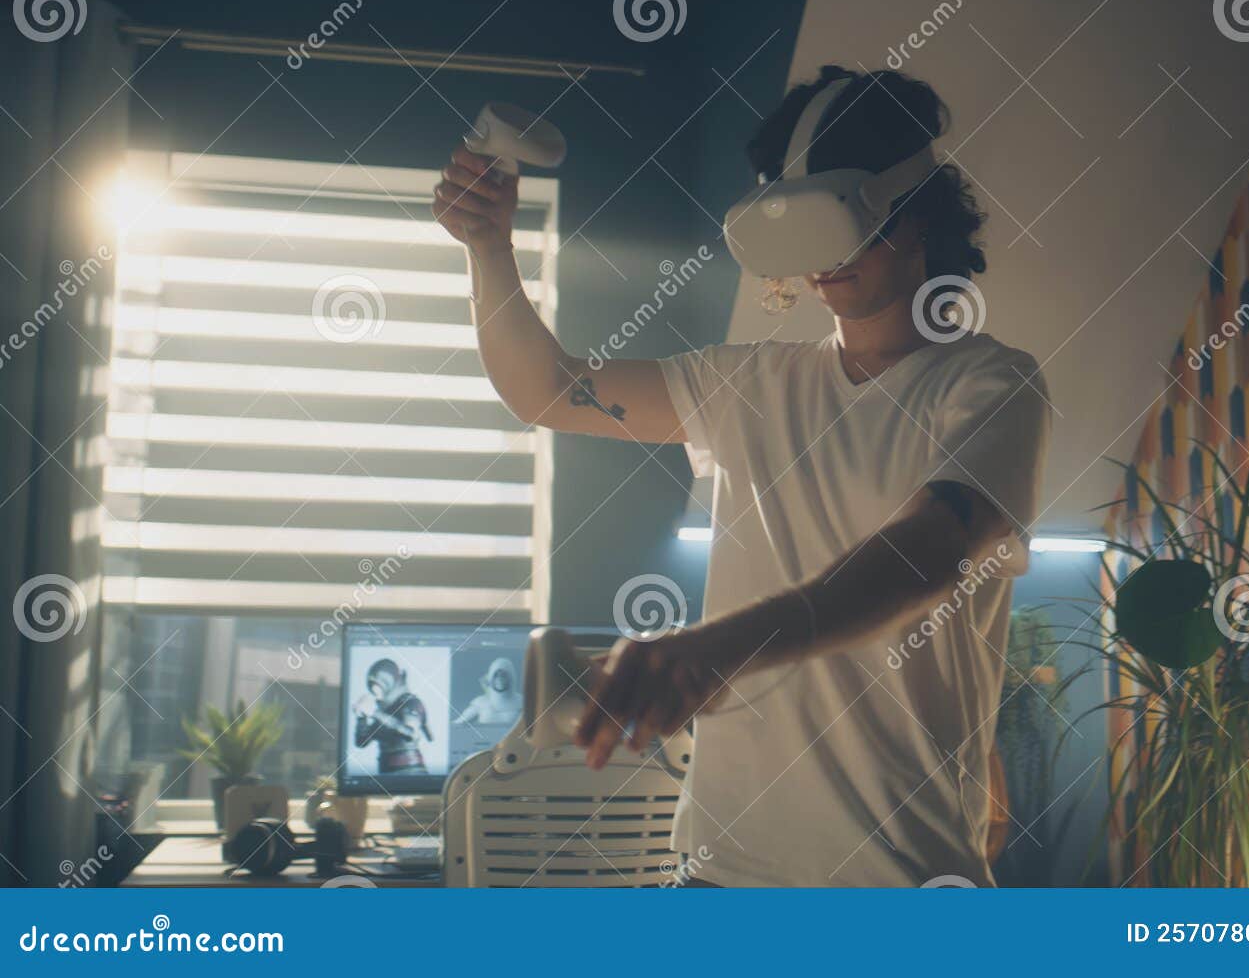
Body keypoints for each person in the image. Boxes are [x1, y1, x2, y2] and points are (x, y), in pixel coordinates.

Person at [432, 66, 1050, 887]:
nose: (825, 261)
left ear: (920, 212)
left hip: (897, 882)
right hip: (719, 875)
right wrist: (488, 249)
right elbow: (546, 390)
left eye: (842, 223)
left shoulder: (990, 384)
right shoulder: (749, 383)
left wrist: (722, 648)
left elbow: (927, 554)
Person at [352, 659, 433, 774]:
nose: (378, 698)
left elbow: (410, 733)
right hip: (387, 773)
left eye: (380, 691)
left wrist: (374, 713)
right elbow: (362, 742)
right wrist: (361, 718)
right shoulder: (384, 714)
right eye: (374, 693)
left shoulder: (411, 703)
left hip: (410, 772)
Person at [453, 656, 523, 726]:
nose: (500, 679)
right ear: (490, 678)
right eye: (496, 675)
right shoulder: (480, 703)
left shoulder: (522, 702)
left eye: (503, 675)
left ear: (511, 678)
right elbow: (458, 723)